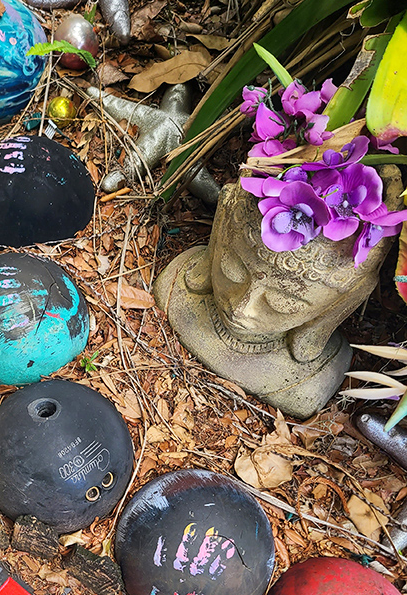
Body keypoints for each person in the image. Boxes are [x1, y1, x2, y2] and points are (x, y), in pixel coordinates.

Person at [154, 170, 401, 419]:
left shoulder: (309, 384)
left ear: (343, 302)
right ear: (220, 227)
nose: (241, 309)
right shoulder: (174, 289)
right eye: (232, 270)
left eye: (283, 303)